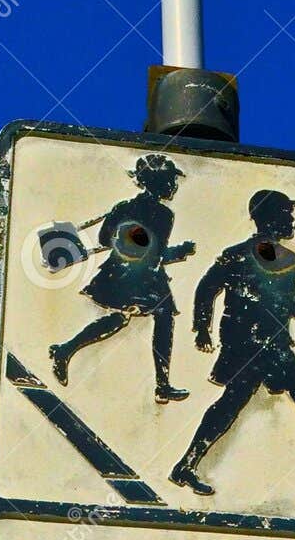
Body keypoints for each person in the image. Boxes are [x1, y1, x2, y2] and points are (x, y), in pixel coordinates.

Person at [169, 189, 295, 497]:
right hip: (246, 344)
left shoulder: (290, 261)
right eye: (287, 214)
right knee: (238, 404)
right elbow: (206, 287)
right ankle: (186, 465)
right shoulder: (236, 254)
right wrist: (202, 328)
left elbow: (291, 303)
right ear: (270, 217)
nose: (292, 220)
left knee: (284, 399)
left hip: (275, 343)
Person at [49, 154, 194, 404]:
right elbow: (156, 254)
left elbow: (105, 239)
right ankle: (162, 385)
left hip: (120, 271)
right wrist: (181, 251)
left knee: (124, 318)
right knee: (158, 319)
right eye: (170, 180)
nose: (174, 186)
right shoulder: (163, 215)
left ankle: (65, 350)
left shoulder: (123, 207)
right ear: (159, 182)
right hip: (142, 277)